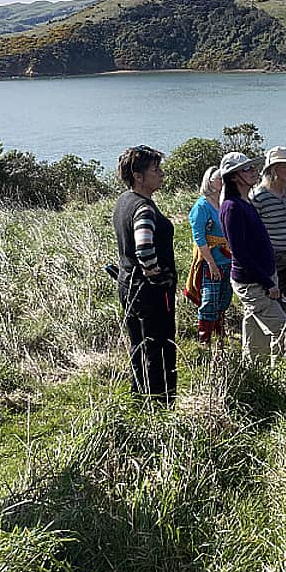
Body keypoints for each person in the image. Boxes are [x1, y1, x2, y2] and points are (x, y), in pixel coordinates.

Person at [112, 145, 177, 404]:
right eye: (155, 170)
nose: (161, 174)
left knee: (139, 344)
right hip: (150, 291)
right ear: (138, 176)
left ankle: (139, 401)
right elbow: (144, 247)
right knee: (159, 348)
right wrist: (157, 276)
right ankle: (160, 405)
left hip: (128, 284)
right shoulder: (144, 208)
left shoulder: (123, 202)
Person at [220, 151, 286, 360]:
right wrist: (268, 283)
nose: (253, 172)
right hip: (253, 283)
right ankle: (285, 378)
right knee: (282, 329)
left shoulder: (245, 202)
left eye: (252, 168)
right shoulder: (231, 207)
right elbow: (240, 253)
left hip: (260, 278)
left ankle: (254, 372)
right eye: (246, 169)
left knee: (254, 332)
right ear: (233, 177)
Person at [251, 146, 286, 310]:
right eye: (285, 165)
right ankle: (283, 334)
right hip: (274, 262)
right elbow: (253, 232)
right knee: (278, 303)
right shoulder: (258, 197)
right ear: (273, 169)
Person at [188, 166, 232, 344]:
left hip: (228, 258)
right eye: (219, 178)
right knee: (209, 300)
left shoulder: (225, 202)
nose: (222, 181)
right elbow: (199, 237)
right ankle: (204, 339)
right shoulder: (201, 206)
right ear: (210, 182)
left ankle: (220, 334)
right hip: (210, 261)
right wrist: (212, 264)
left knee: (224, 297)